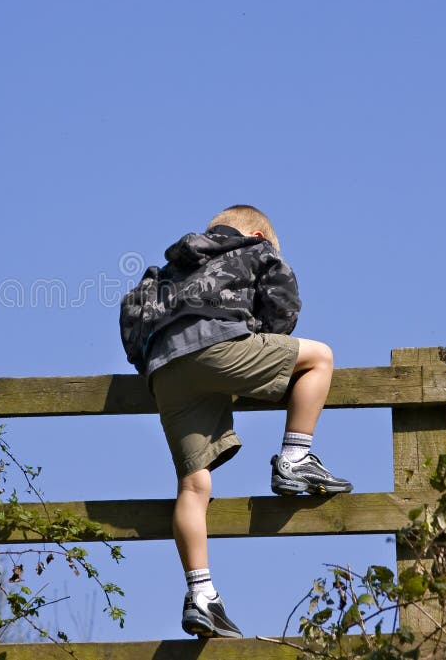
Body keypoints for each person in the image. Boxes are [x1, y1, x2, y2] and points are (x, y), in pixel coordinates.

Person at [118, 204, 352, 639]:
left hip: (164, 368)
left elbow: (132, 318)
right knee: (320, 357)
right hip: (219, 346)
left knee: (193, 486)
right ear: (259, 236)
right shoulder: (255, 250)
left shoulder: (168, 269)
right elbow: (282, 311)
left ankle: (201, 595)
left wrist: (155, 362)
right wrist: (253, 341)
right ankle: (296, 458)